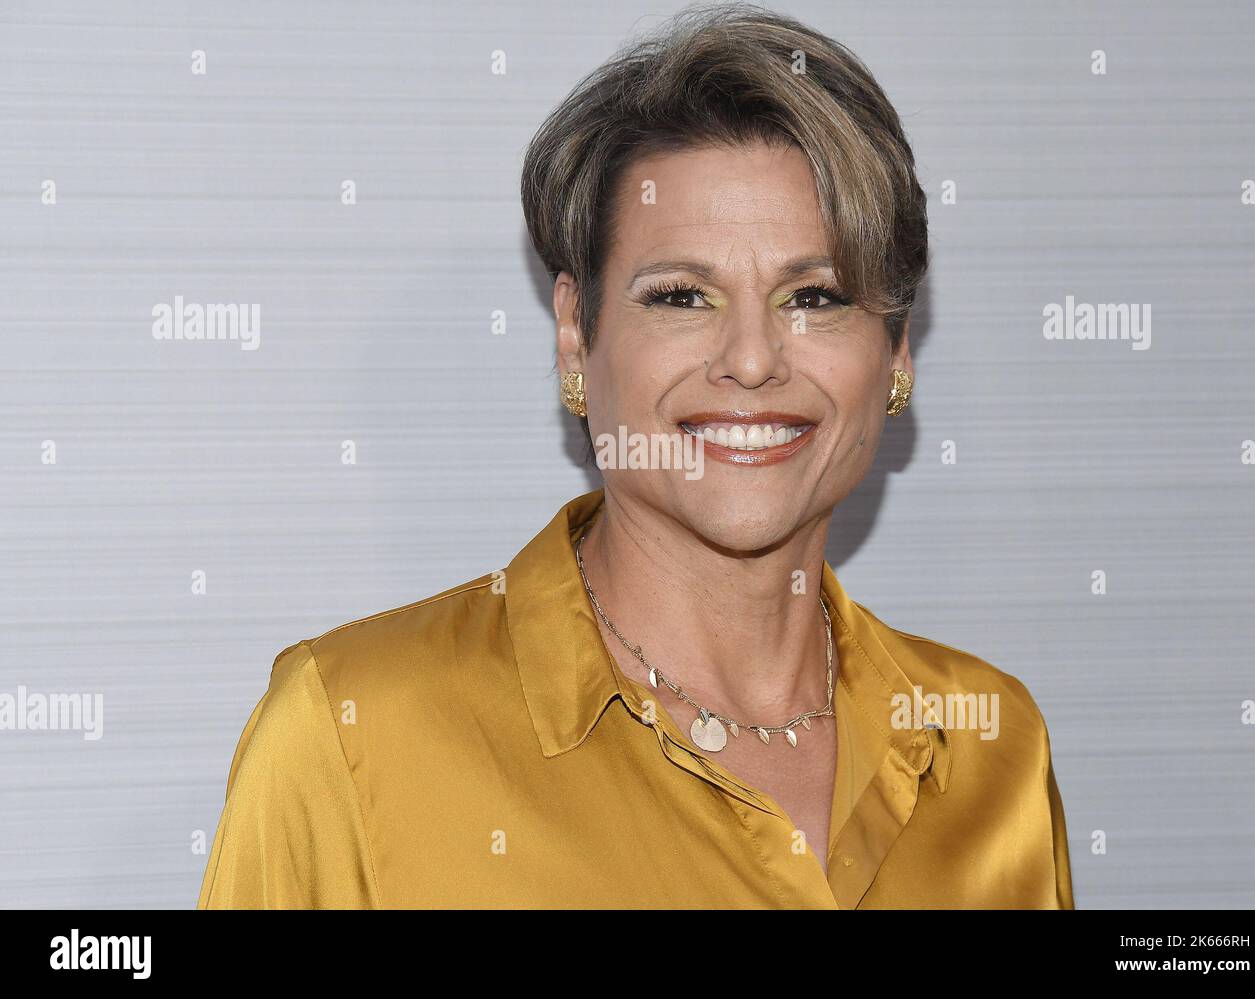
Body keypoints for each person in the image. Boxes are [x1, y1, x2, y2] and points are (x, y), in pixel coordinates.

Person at [198, 2, 1073, 909]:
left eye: (814, 295)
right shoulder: (349, 738)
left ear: (894, 353)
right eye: (683, 296)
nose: (750, 359)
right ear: (576, 334)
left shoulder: (991, 745)